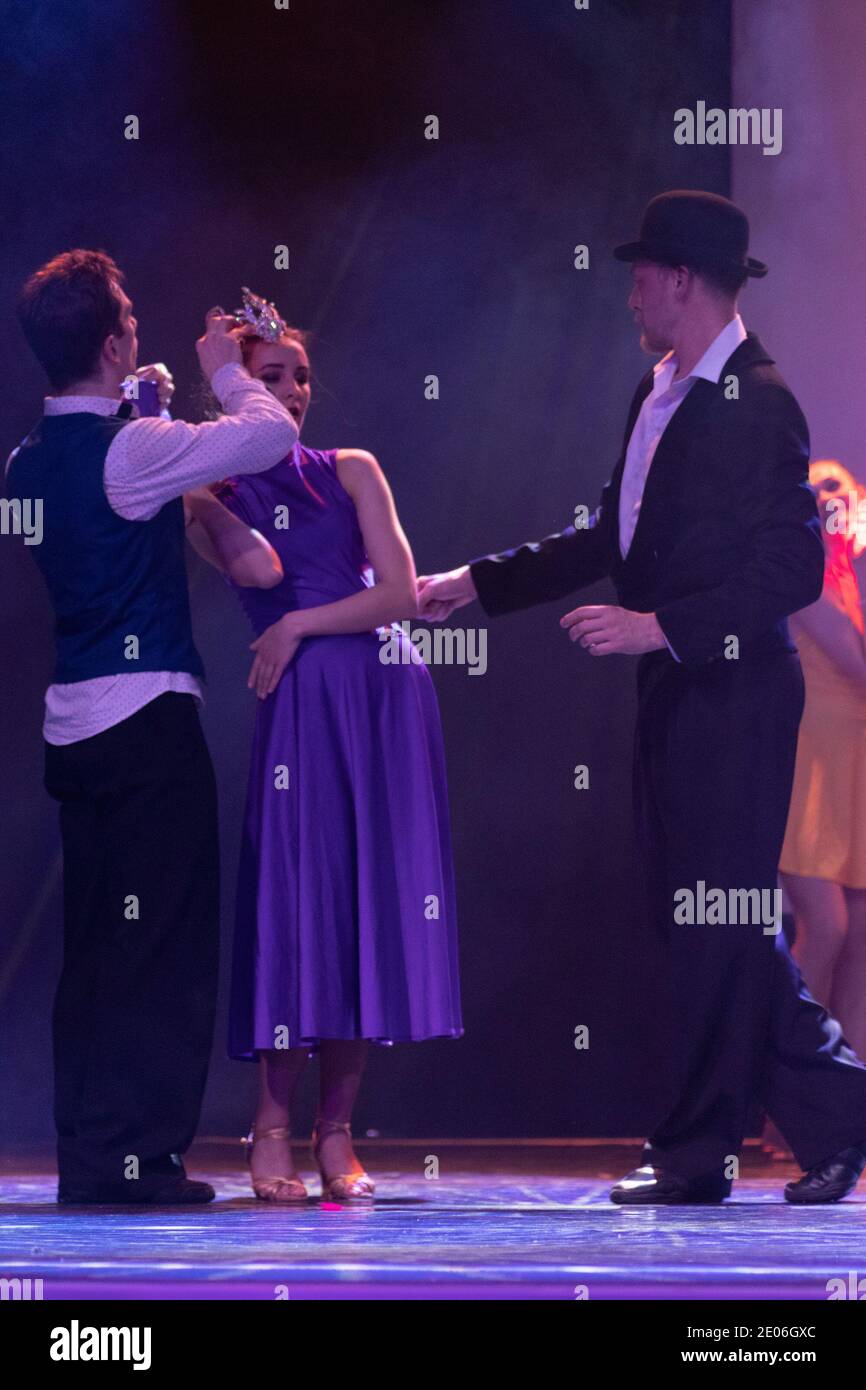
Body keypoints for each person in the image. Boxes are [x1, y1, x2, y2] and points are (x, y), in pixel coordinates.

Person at [418, 191, 866, 1204]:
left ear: (678, 280)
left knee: (718, 919)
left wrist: (657, 628)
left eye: (639, 274)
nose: (628, 293)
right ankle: (815, 1119)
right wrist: (478, 584)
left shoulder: (758, 398)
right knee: (711, 923)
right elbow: (606, 539)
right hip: (679, 693)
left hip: (737, 695)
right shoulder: (656, 393)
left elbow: (790, 569)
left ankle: (699, 1149)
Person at [6, 251, 297, 1204]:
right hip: (143, 721)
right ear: (110, 339)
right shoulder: (131, 453)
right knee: (161, 947)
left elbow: (110, 486)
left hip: (75, 730)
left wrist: (136, 402)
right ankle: (141, 1162)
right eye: (128, 313)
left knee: (98, 949)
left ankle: (97, 1156)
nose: (139, 321)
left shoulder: (28, 460)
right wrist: (223, 367)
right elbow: (265, 436)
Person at [195, 291, 462, 1203]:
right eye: (272, 377)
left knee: (368, 911)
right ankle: (267, 1128)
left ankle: (337, 1131)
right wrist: (199, 484)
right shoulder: (213, 491)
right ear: (236, 394)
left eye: (300, 375)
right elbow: (259, 570)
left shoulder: (354, 467)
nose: (295, 390)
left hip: (382, 689)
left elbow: (398, 594)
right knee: (298, 908)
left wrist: (301, 625)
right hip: (303, 707)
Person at [779, 461, 866, 1058]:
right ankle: (793, 1105)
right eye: (825, 490)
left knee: (859, 936)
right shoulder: (803, 572)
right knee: (827, 927)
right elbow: (853, 658)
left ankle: (850, 1104)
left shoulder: (845, 580)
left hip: (852, 771)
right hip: (809, 771)